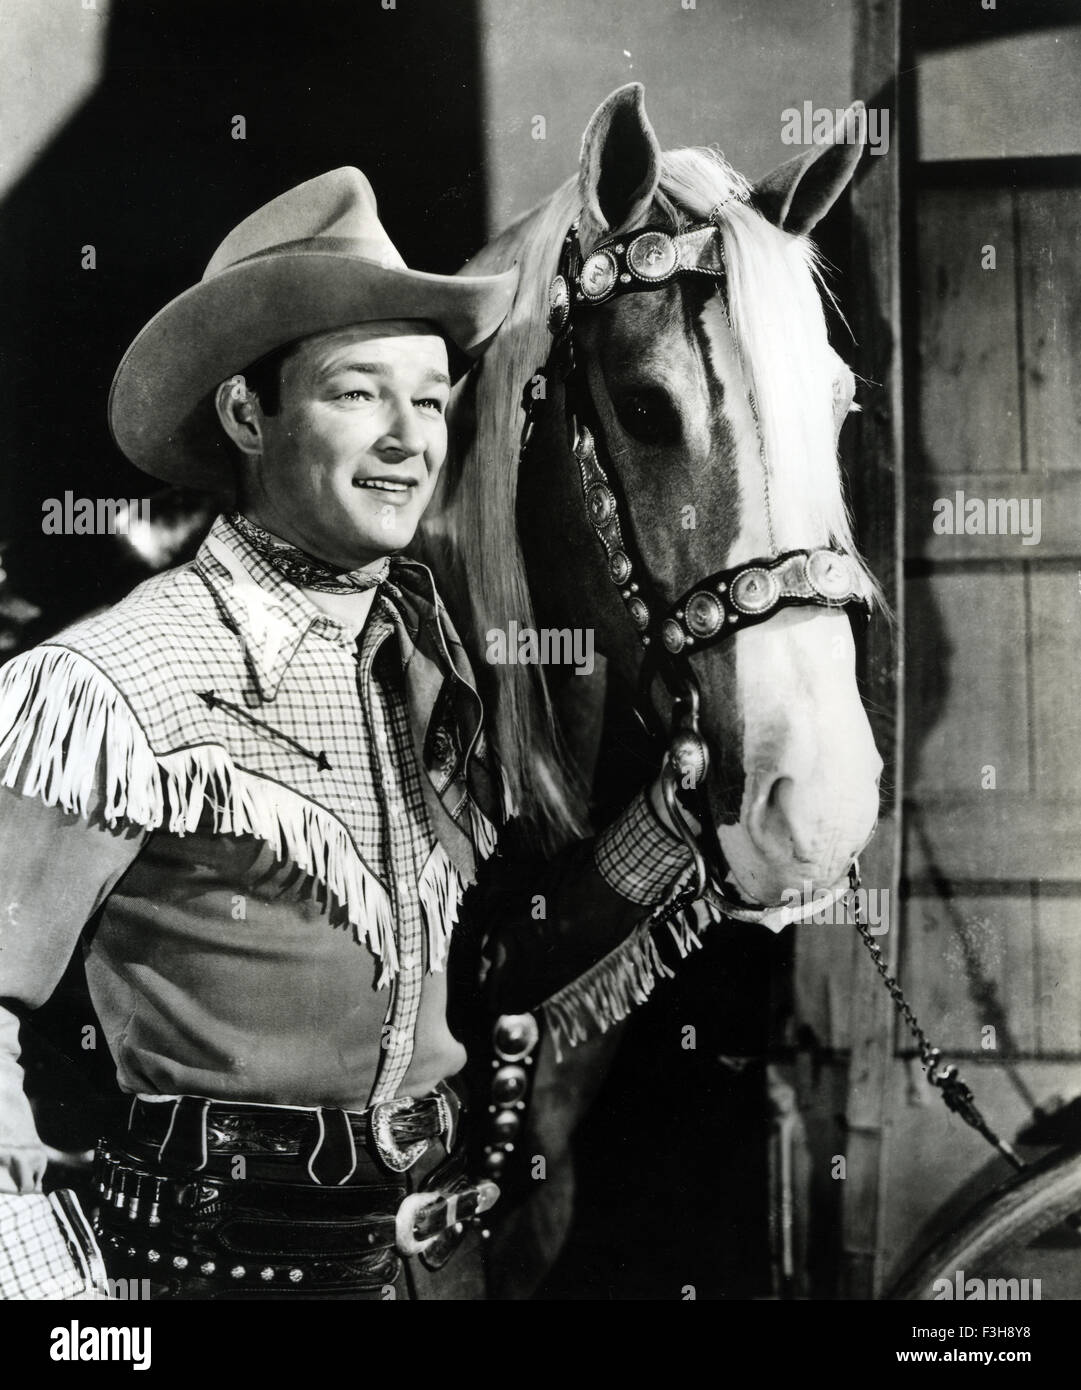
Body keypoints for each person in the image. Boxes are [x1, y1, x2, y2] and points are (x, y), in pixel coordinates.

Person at [0, 167, 693, 1300]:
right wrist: (37, 1279)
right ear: (245, 411)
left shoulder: (427, 664)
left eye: (429, 399)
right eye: (356, 393)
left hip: (438, 1270)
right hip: (213, 1277)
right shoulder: (115, 684)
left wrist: (673, 829)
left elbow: (479, 980)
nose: (407, 440)